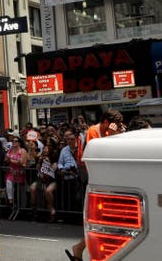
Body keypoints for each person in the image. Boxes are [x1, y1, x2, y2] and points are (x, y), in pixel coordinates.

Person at [66, 110, 125, 261]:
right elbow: (98, 153)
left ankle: (79, 249)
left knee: (104, 221)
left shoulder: (107, 132)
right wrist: (113, 136)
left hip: (105, 180)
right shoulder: (93, 131)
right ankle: (83, 250)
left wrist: (120, 136)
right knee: (100, 220)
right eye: (113, 124)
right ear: (106, 121)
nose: (115, 127)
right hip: (94, 179)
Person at [4, 135, 28, 220]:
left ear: (19, 143)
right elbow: (6, 160)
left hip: (20, 173)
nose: (13, 142)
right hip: (11, 172)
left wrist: (12, 160)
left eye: (15, 141)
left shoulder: (23, 151)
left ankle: (21, 209)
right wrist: (8, 158)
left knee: (19, 192)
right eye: (13, 141)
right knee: (8, 182)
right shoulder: (10, 150)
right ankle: (11, 201)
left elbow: (22, 162)